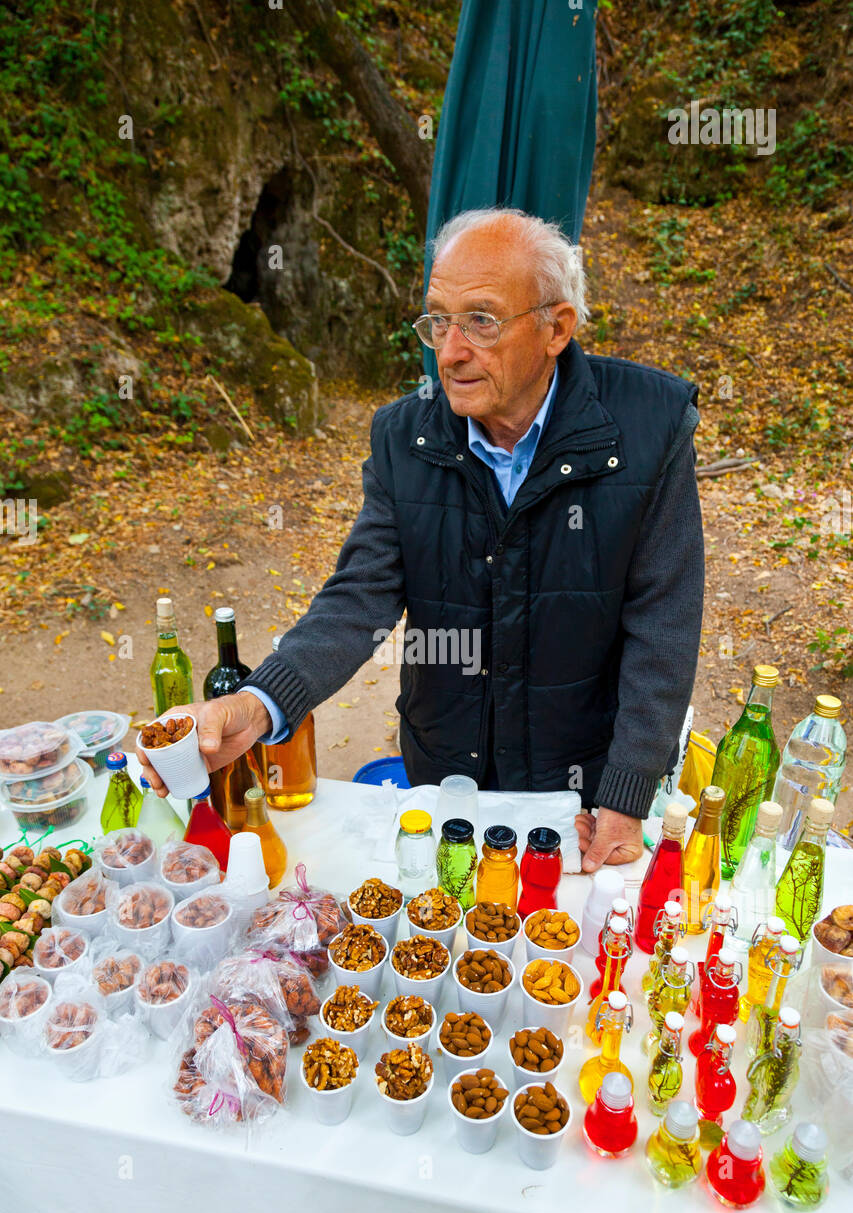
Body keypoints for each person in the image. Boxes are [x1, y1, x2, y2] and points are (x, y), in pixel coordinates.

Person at [138, 208, 704, 872]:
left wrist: (626, 792)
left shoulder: (649, 425)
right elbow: (359, 599)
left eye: (480, 320)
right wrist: (257, 705)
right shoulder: (405, 438)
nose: (450, 351)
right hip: (445, 764)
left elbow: (662, 621)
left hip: (581, 785)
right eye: (438, 319)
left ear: (556, 327)